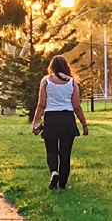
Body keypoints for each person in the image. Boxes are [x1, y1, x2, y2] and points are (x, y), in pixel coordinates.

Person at [29, 55, 89, 190]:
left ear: (52, 67)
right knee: (65, 153)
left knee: (51, 151)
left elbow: (41, 104)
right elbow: (76, 106)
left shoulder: (46, 81)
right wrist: (84, 125)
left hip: (51, 119)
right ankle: (62, 185)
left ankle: (54, 172)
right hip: (67, 119)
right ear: (66, 67)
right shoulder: (72, 82)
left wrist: (35, 123)